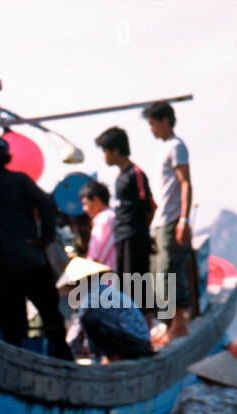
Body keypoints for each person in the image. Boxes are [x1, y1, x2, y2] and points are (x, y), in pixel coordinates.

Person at [0, 136, 72, 360]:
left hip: (5, 266)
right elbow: (45, 202)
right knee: (51, 318)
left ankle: (17, 366)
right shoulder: (20, 180)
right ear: (7, 157)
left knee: (13, 327)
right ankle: (65, 359)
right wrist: (45, 238)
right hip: (32, 260)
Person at [94, 126, 156, 324]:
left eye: (105, 150)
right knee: (125, 287)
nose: (104, 156)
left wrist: (141, 231)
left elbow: (149, 206)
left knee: (139, 285)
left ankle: (145, 332)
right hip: (120, 237)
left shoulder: (135, 173)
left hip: (133, 236)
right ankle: (133, 330)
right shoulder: (120, 177)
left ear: (116, 151)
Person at [144, 101, 192, 319]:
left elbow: (185, 183)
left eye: (153, 123)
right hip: (160, 220)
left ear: (165, 121)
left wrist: (184, 219)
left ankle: (178, 323)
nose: (151, 129)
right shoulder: (163, 148)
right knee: (158, 273)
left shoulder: (176, 146)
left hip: (172, 219)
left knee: (169, 270)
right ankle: (167, 323)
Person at [56, 257, 153, 361]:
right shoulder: (103, 291)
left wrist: (64, 354)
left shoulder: (92, 298)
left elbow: (76, 332)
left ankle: (114, 359)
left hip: (136, 345)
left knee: (90, 320)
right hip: (141, 342)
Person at [79, 179, 116, 267]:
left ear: (96, 200)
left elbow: (95, 259)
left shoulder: (103, 220)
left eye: (85, 204)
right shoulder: (113, 215)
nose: (84, 209)